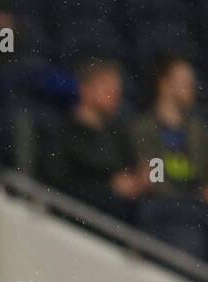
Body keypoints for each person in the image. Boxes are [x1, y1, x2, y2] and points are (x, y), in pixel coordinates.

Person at [44, 60, 148, 221]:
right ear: (85, 89)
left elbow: (134, 173)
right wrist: (110, 189)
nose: (114, 93)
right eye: (106, 86)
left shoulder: (119, 136)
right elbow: (57, 187)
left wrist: (140, 180)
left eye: (117, 88)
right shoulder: (61, 134)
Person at [130, 57, 208, 201]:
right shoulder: (145, 128)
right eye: (184, 81)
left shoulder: (199, 132)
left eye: (192, 82)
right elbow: (154, 180)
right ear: (164, 84)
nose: (192, 86)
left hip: (197, 209)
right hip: (161, 207)